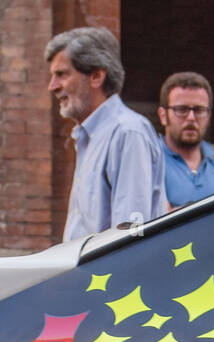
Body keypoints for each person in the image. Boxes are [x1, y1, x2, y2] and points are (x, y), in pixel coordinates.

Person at [45, 27, 164, 242]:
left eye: (61, 74)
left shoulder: (127, 133)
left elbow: (129, 236)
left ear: (97, 76)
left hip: (112, 275)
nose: (52, 86)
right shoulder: (90, 136)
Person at [157, 72, 214, 209]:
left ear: (209, 116)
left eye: (199, 110)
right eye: (181, 109)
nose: (191, 117)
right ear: (163, 116)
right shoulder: (149, 166)